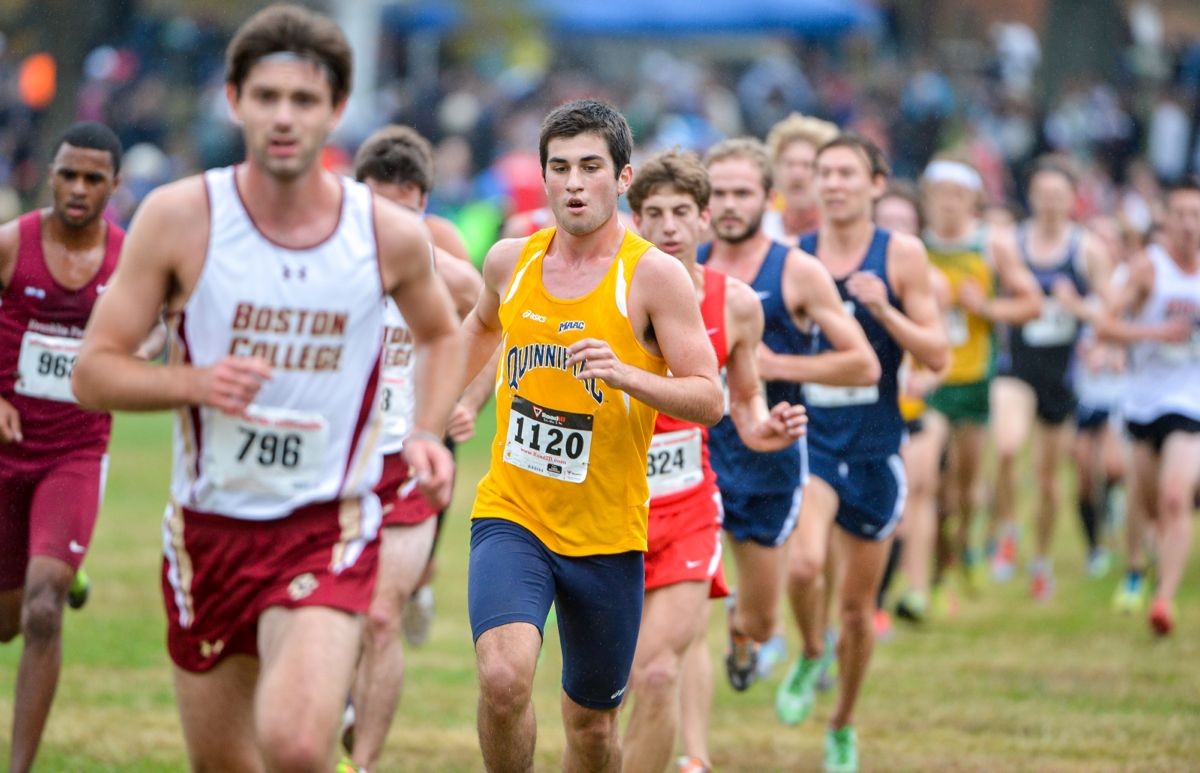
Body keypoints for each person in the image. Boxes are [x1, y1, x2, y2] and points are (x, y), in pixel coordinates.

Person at [71, 6, 465, 770]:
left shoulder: (383, 233)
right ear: (235, 99)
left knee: (294, 742)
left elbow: (445, 328)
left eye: (305, 100)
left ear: (336, 111)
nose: (285, 118)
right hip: (208, 529)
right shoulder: (181, 216)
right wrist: (195, 381)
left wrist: (424, 430)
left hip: (328, 522)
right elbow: (94, 370)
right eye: (268, 97)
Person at [457, 99, 723, 772]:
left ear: (623, 177)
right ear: (542, 177)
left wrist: (632, 376)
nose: (574, 183)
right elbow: (482, 327)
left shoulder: (654, 275)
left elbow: (709, 397)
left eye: (590, 168)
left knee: (594, 729)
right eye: (560, 168)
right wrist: (446, 404)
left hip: (607, 532)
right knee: (504, 676)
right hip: (512, 512)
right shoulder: (509, 261)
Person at [622, 150, 807, 773]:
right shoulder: (607, 293)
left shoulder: (737, 304)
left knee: (657, 667)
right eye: (654, 213)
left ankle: (692, 757)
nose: (669, 226)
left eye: (681, 212)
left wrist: (763, 427)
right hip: (608, 506)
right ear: (635, 221)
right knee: (610, 684)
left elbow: (746, 395)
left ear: (704, 220)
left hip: (688, 504)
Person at [777, 135, 948, 773]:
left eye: (848, 173)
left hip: (877, 449)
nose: (835, 184)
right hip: (814, 442)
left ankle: (843, 720)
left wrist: (886, 311)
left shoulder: (901, 255)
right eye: (825, 173)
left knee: (856, 609)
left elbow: (937, 355)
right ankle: (808, 652)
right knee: (803, 567)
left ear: (877, 184)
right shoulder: (797, 258)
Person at [696, 137, 878, 695]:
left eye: (742, 193)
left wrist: (777, 361)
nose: (729, 205)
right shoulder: (683, 262)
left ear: (768, 198)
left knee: (759, 616)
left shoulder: (796, 270)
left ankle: (749, 637)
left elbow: (863, 364)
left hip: (766, 454)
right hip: (690, 447)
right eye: (718, 193)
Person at [347, 124, 486, 772]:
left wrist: (463, 395)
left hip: (412, 451)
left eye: (403, 209)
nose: (390, 225)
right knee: (336, 606)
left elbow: (494, 319)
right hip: (339, 460)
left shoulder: (442, 257)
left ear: (423, 203)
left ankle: (363, 762)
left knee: (380, 614)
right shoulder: (333, 249)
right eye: (377, 207)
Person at [0, 121, 125, 773]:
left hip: (76, 450)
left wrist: (135, 352)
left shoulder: (128, 257)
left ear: (114, 185)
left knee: (44, 607)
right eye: (67, 174)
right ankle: (62, 562)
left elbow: (158, 326)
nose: (78, 189)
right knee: (8, 620)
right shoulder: (11, 245)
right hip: (6, 445)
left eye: (92, 178)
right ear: (50, 173)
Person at [988, 157, 1112, 598]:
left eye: (1058, 196)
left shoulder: (1089, 250)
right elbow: (988, 297)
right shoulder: (1007, 243)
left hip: (1061, 377)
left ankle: (1040, 561)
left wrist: (1076, 307)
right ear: (1030, 195)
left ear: (1073, 199)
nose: (1050, 204)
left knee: (1046, 479)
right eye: (1042, 195)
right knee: (1005, 447)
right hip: (1015, 367)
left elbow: (1110, 313)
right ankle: (1005, 530)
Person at [919, 156, 1040, 604]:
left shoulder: (993, 245)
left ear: (974, 201)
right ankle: (934, 562)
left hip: (974, 376)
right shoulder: (913, 245)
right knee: (931, 482)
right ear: (927, 198)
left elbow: (1032, 304)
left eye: (958, 196)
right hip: (928, 378)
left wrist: (986, 308)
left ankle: (965, 541)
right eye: (940, 194)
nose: (948, 205)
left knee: (966, 484)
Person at [1097, 177, 1200, 636]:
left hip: (1190, 398)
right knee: (1148, 500)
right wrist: (1156, 334)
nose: (1189, 225)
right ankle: (1138, 565)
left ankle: (1164, 599)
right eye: (1180, 215)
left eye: (1196, 215)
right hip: (1142, 400)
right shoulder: (1148, 270)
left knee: (1176, 497)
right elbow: (1104, 325)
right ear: (1166, 219)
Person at [873, 182, 950, 626]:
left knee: (915, 499)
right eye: (889, 222)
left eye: (905, 223)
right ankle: (875, 600)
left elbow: (942, 354)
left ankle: (914, 591)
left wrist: (925, 379)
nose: (897, 231)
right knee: (887, 508)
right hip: (870, 413)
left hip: (915, 414)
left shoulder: (931, 282)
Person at [762, 113, 839, 247]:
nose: (797, 174)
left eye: (807, 165)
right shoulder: (761, 230)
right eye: (789, 164)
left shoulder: (843, 231)